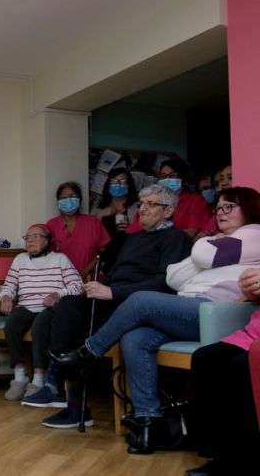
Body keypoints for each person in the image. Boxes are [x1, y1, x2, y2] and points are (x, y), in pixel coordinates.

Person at [51, 187, 260, 454]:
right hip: (186, 308)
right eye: (218, 207)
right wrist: (207, 246)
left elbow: (198, 258)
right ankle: (149, 424)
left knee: (140, 300)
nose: (221, 212)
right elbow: (175, 277)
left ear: (250, 209)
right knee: (134, 337)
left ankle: (88, 352)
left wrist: (205, 246)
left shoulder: (254, 234)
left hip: (214, 312)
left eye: (229, 207)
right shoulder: (218, 242)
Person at [23, 184, 192, 429]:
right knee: (66, 306)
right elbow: (115, 274)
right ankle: (71, 401)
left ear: (168, 211)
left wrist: (113, 291)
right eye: (141, 204)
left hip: (137, 304)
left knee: (74, 323)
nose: (142, 209)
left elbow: (165, 284)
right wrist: (95, 287)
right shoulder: (132, 240)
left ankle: (66, 386)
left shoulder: (178, 239)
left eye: (150, 204)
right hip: (111, 296)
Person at [185, 268, 260, 476]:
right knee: (205, 359)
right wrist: (252, 288)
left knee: (242, 365)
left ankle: (249, 457)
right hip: (254, 333)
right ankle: (224, 456)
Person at [0, 224, 82, 401]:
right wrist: (5, 297)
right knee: (11, 325)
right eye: (28, 238)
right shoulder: (20, 259)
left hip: (49, 308)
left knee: (39, 327)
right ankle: (19, 379)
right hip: (26, 307)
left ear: (48, 240)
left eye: (36, 236)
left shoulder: (60, 259)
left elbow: (78, 286)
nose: (31, 241)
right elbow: (9, 286)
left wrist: (58, 294)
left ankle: (38, 380)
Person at [127, 159, 210, 239]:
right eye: (163, 176)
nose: (167, 179)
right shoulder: (147, 203)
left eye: (173, 175)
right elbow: (132, 236)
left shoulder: (196, 200)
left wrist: (155, 239)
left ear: (185, 181)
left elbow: (194, 232)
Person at [47, 181, 111, 280]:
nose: (68, 199)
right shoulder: (51, 225)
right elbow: (47, 255)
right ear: (58, 200)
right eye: (64, 197)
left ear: (80, 199)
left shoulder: (93, 222)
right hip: (60, 280)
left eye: (73, 196)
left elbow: (102, 250)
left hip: (90, 279)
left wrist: (86, 271)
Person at [92, 167, 139, 271]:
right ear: (108, 185)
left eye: (122, 181)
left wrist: (130, 230)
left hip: (129, 261)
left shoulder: (137, 208)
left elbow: (146, 236)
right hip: (105, 262)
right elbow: (89, 236)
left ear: (129, 186)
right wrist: (99, 215)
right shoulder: (98, 208)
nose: (118, 184)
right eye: (114, 181)